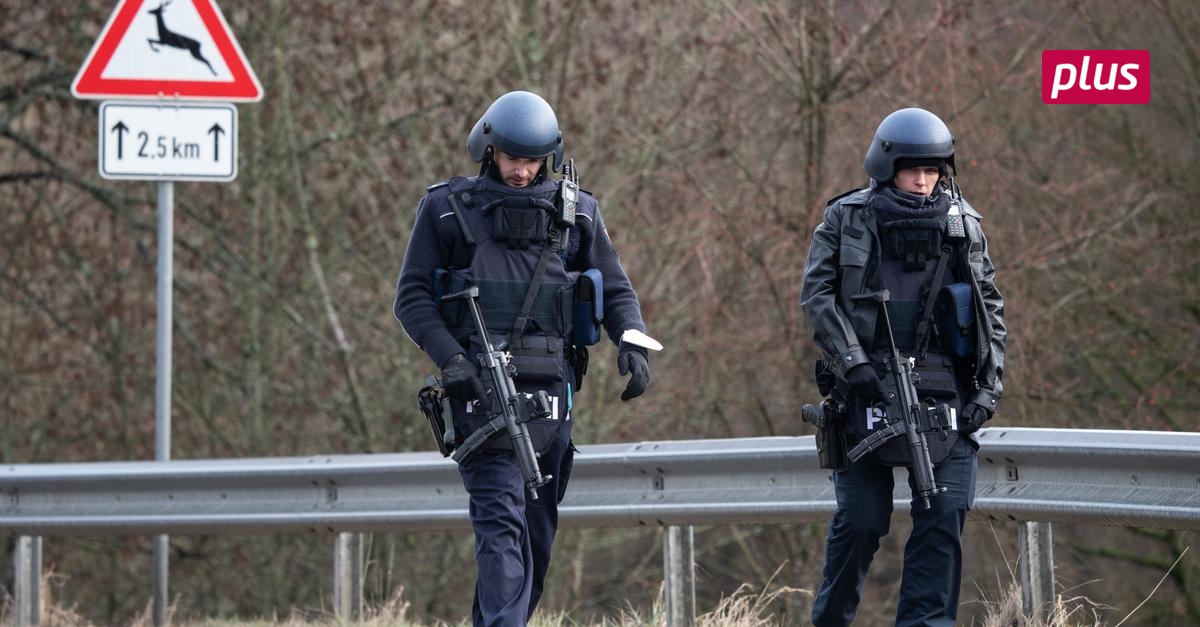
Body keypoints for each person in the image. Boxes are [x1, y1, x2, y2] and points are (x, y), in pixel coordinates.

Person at [394, 90, 656, 627]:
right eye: (514, 158)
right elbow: (412, 297)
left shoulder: (577, 213)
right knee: (501, 527)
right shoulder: (447, 209)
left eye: (533, 160)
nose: (522, 171)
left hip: (552, 403)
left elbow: (617, 291)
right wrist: (452, 361)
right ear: (490, 150)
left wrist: (632, 341)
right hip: (480, 403)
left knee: (534, 538)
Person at [800, 107, 1007, 626]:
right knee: (862, 522)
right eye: (912, 168)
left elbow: (989, 307)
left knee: (943, 516)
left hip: (944, 391)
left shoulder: (964, 226)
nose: (922, 180)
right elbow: (817, 298)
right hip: (865, 389)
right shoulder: (846, 218)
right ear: (887, 166)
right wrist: (853, 364)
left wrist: (989, 389)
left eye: (933, 170)